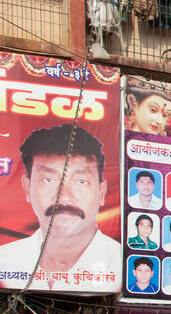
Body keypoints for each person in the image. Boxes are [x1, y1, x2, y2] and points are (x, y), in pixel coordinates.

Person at [0, 123, 124, 292]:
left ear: (102, 192)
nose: (64, 196)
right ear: (27, 188)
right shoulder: (4, 262)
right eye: (48, 180)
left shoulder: (124, 266)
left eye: (81, 181)